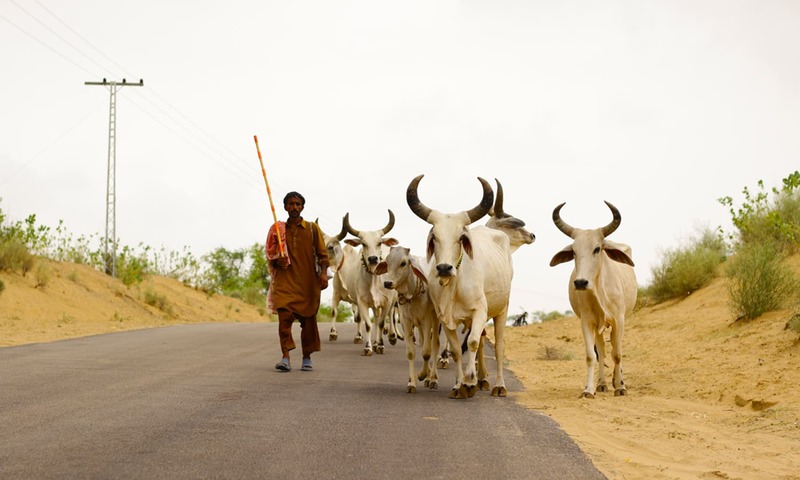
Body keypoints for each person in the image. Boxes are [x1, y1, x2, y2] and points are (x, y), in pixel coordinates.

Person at [265, 191, 329, 372]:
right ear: (285, 207)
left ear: (302, 207)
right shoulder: (277, 230)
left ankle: (307, 357)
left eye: (297, 204)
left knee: (308, 322)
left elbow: (323, 255)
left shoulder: (311, 229)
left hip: (307, 283)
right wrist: (278, 259)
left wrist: (323, 274)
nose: (294, 207)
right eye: (291, 204)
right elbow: (270, 254)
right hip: (285, 282)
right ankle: (285, 357)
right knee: (284, 319)